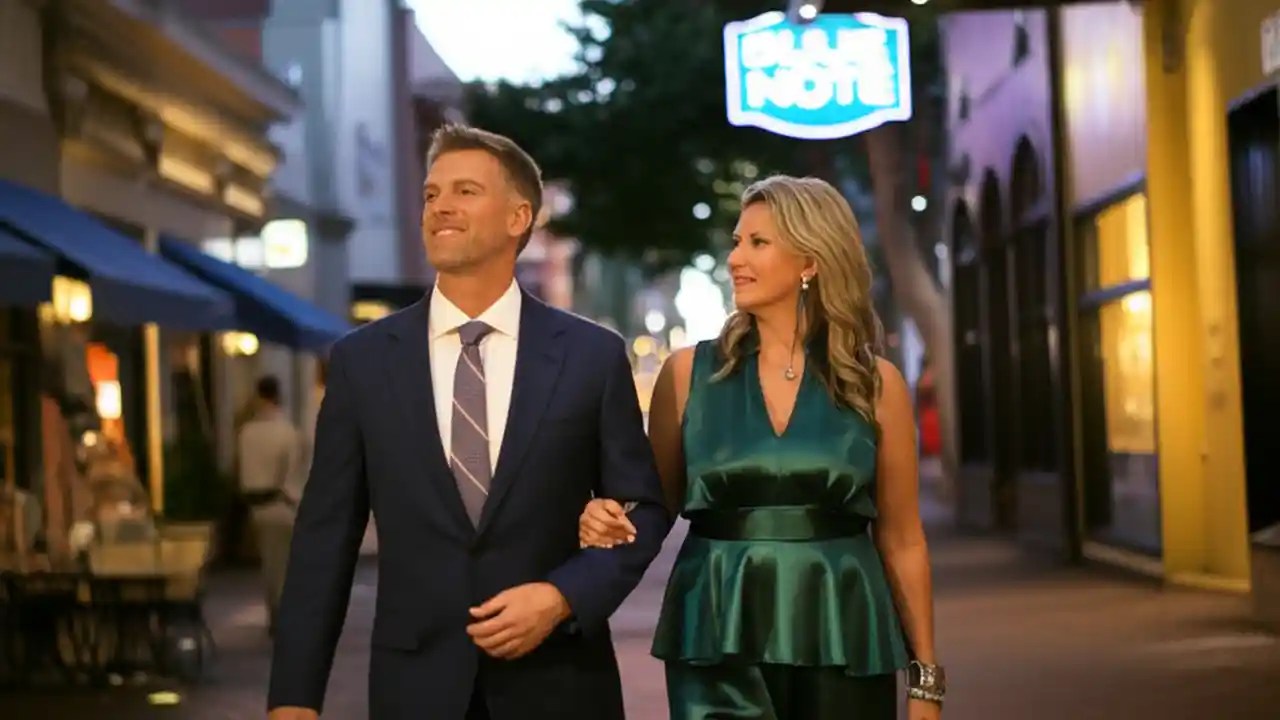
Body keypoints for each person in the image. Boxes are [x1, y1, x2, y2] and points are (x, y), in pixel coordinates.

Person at [267, 124, 669, 720]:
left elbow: (644, 510)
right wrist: (294, 699)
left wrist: (562, 596)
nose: (441, 207)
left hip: (560, 686)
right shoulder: (362, 361)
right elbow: (324, 538)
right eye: (431, 195)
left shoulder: (591, 357)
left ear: (518, 218)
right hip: (415, 690)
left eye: (465, 191)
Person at [580, 175, 945, 720]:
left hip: (843, 623)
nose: (735, 258)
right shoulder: (687, 375)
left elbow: (902, 538)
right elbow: (649, 507)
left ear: (810, 261)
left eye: (758, 242)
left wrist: (926, 681)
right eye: (735, 241)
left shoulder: (876, 383)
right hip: (715, 624)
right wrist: (601, 516)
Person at [238, 375, 305, 635]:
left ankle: (277, 613)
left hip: (257, 506)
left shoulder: (246, 432)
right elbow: (295, 472)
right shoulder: (287, 431)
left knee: (270, 564)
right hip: (283, 504)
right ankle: (284, 614)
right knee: (285, 564)